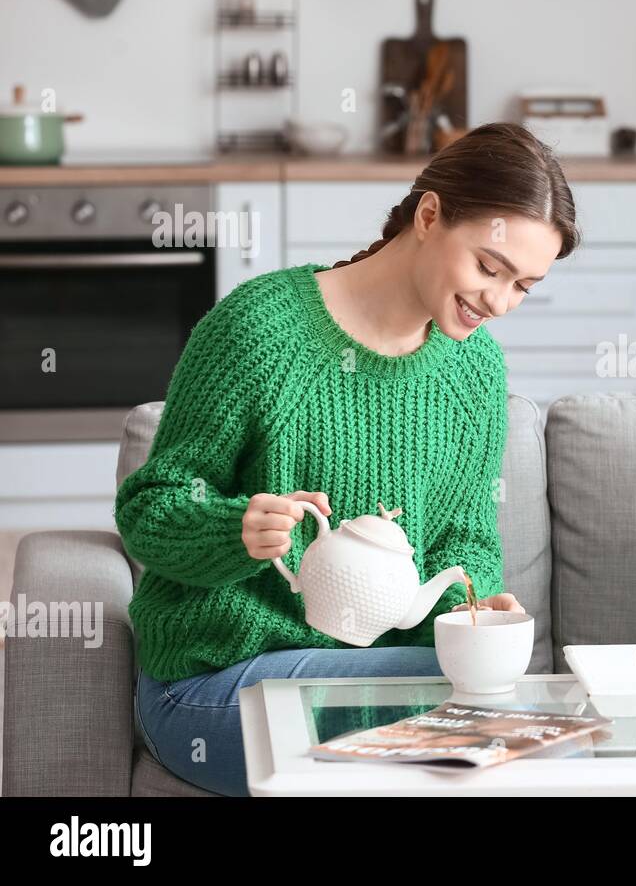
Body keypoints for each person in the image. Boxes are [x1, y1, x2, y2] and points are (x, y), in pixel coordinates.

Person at [120, 123, 579, 795]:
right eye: (489, 267)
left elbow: (465, 537)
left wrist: (467, 607)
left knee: (520, 723)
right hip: (216, 683)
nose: (499, 303)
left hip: (376, 673)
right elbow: (150, 506)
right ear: (429, 216)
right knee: (501, 730)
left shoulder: (473, 368)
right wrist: (236, 528)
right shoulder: (261, 331)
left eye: (524, 287)